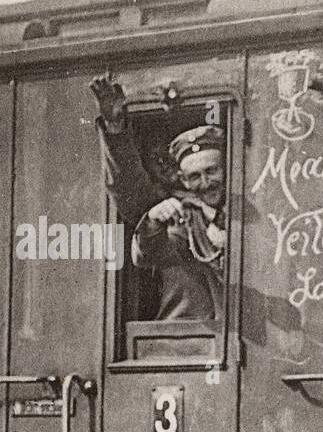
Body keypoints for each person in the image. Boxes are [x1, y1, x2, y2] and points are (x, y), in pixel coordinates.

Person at [90, 74, 227, 321]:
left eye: (212, 171)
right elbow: (146, 252)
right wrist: (153, 219)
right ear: (183, 181)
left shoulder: (243, 216)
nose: (206, 183)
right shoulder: (184, 220)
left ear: (226, 169)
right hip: (191, 343)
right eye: (195, 176)